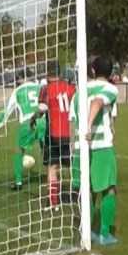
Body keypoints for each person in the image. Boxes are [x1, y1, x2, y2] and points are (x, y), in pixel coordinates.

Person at [69, 56, 120, 245]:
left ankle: (87, 231)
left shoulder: (78, 91)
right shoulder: (110, 89)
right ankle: (104, 234)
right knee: (109, 189)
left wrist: (74, 145)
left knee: (87, 190)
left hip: (80, 148)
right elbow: (97, 102)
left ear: (92, 71)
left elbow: (72, 120)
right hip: (100, 146)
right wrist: (89, 126)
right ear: (111, 72)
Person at [0, 76, 46, 190]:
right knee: (47, 149)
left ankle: (18, 183)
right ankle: (52, 176)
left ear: (22, 79)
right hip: (43, 121)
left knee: (19, 151)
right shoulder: (40, 87)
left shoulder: (18, 91)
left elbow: (7, 110)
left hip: (27, 123)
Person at [37, 62, 76, 210]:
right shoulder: (71, 88)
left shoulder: (46, 89)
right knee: (76, 166)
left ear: (47, 74)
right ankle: (81, 196)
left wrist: (34, 117)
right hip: (70, 134)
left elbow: (42, 108)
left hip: (53, 134)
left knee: (52, 167)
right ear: (60, 73)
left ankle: (53, 202)